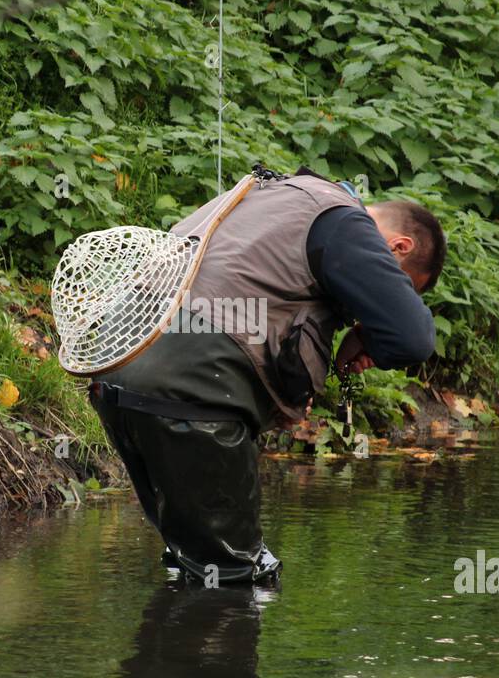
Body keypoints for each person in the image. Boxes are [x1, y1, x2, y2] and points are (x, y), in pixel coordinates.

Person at [88, 166, 444, 584]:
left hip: (115, 374)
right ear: (399, 247)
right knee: (235, 585)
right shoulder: (345, 222)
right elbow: (412, 337)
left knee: (196, 565)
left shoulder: (271, 196)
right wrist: (369, 334)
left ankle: (171, 646)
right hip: (189, 391)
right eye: (401, 285)